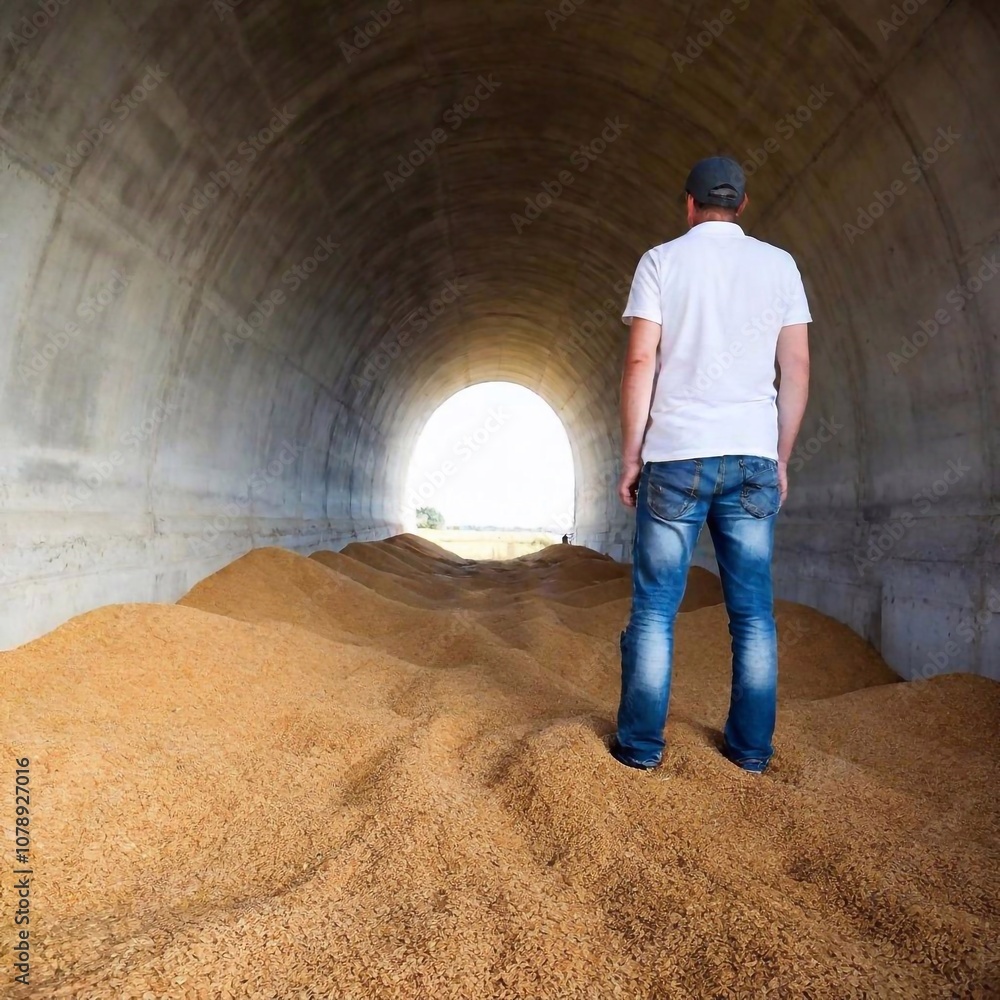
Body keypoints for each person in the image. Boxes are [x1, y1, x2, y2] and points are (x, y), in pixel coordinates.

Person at [609, 155, 812, 774]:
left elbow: (640, 362)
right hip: (751, 456)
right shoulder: (780, 265)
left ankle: (641, 749)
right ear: (742, 205)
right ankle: (749, 754)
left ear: (689, 204)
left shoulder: (660, 262)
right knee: (752, 617)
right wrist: (780, 457)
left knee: (654, 612)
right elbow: (796, 368)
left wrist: (631, 456)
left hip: (675, 457)